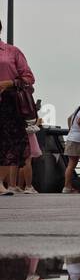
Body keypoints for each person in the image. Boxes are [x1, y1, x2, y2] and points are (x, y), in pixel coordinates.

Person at [0, 21, 35, 197]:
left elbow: (28, 77)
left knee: (8, 145)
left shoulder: (12, 52)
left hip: (8, 104)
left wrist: (9, 83)